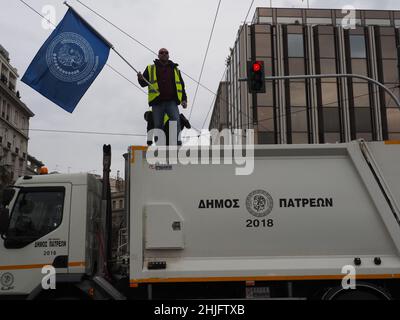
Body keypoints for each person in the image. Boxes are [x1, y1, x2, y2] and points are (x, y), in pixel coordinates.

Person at [138, 48, 188, 145]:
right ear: (158, 55)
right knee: (158, 125)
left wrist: (184, 100)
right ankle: (159, 146)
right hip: (157, 102)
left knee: (175, 120)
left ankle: (177, 143)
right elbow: (143, 83)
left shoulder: (175, 70)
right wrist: (140, 79)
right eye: (161, 52)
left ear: (169, 55)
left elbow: (181, 86)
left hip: (171, 101)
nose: (164, 54)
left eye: (166, 52)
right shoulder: (150, 68)